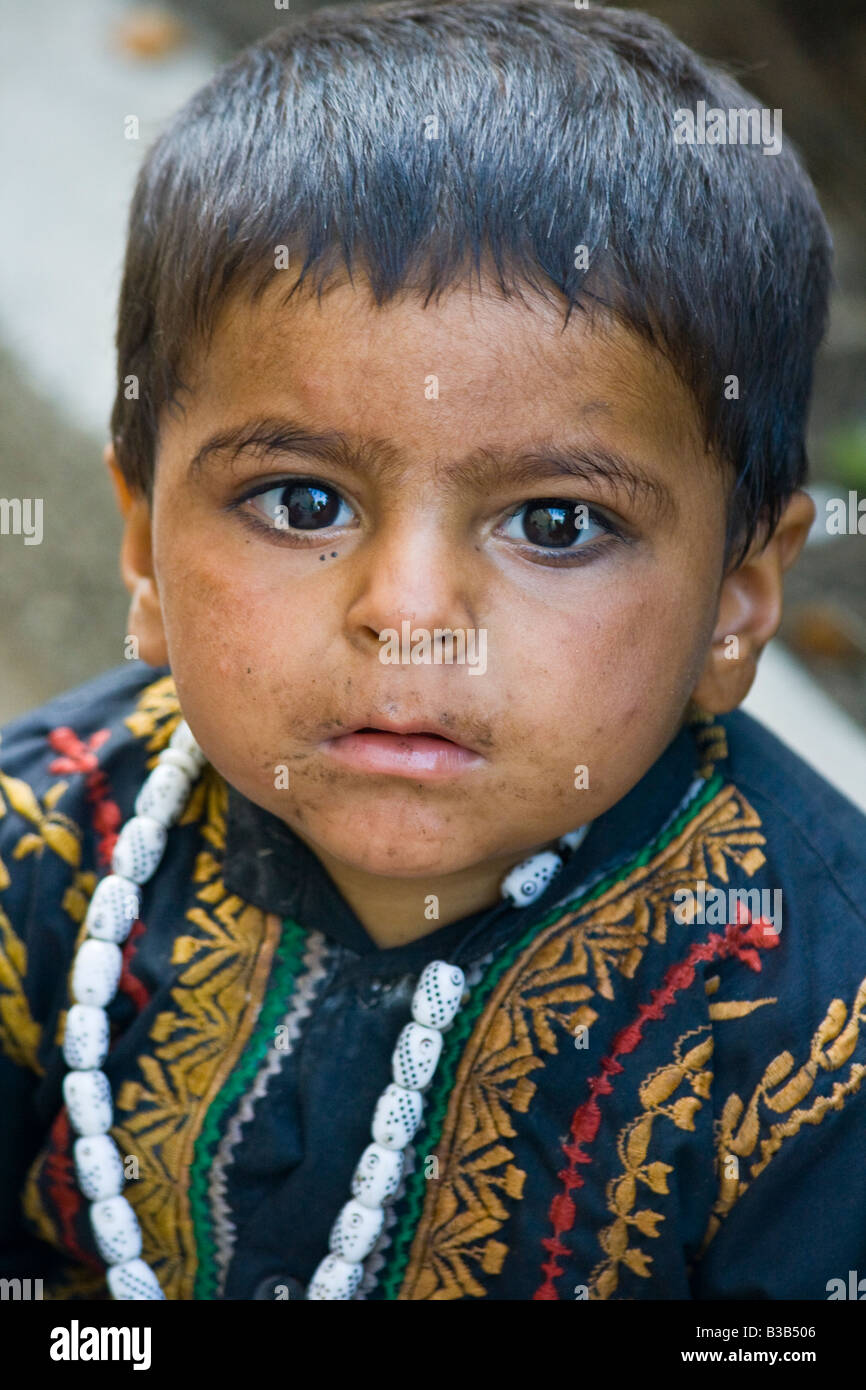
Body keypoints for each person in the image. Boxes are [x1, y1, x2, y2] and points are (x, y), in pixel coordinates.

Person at [1, 0, 863, 1302]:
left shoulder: (812, 1018)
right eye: (301, 500)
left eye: (555, 523)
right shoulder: (43, 847)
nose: (407, 613)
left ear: (738, 599)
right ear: (141, 541)